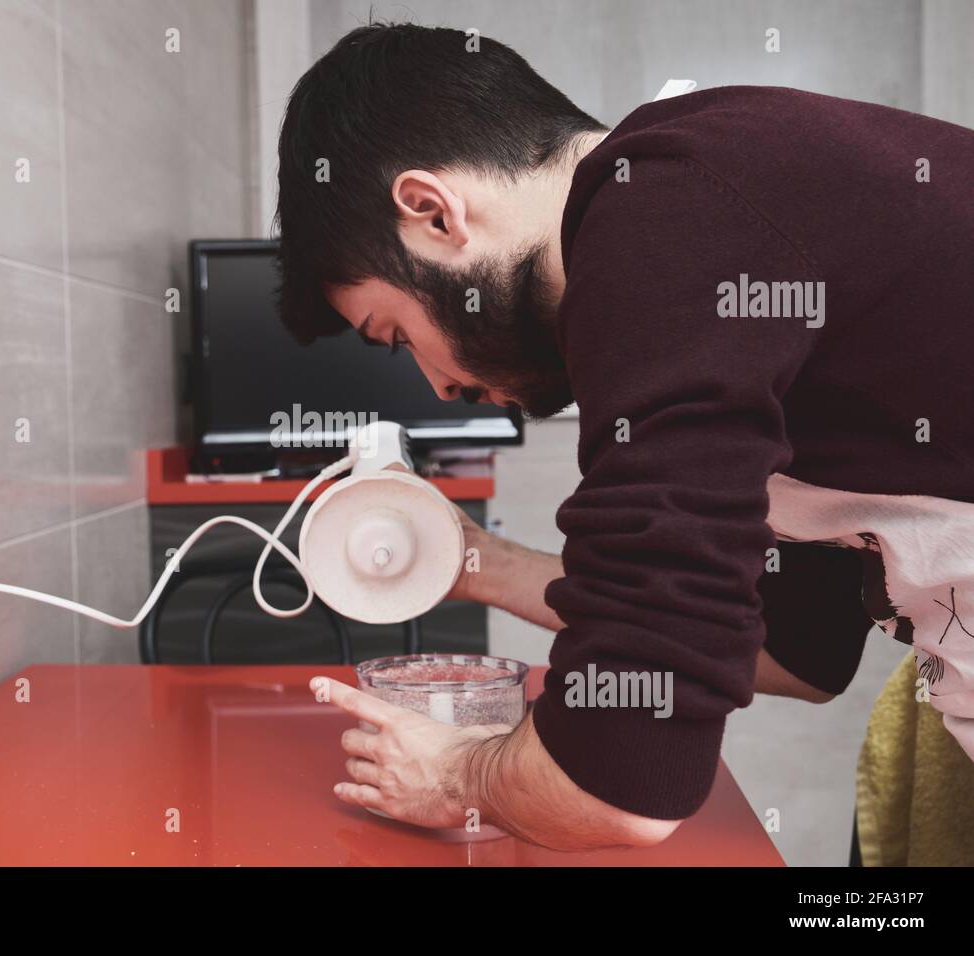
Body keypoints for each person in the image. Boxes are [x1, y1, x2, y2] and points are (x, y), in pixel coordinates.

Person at [280, 22, 974, 849]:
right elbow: (793, 648)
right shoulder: (716, 199)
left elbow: (622, 778)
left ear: (433, 211)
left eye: (395, 334)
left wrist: (460, 775)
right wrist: (480, 565)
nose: (438, 386)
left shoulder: (666, 216)